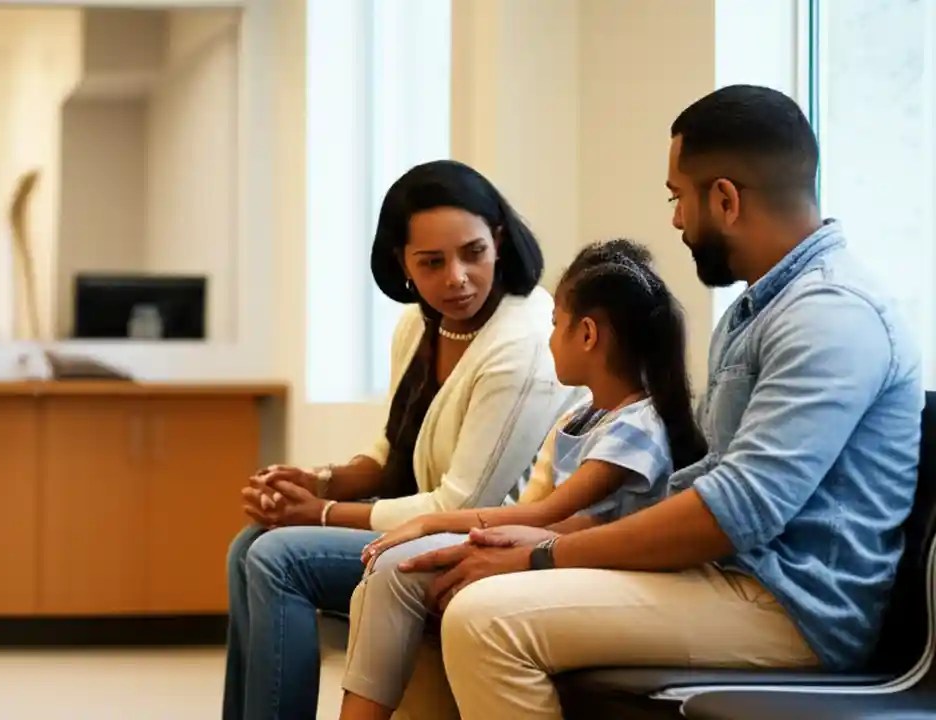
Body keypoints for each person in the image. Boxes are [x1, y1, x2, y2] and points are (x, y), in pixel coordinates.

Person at [372, 85, 923, 720]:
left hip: (790, 608)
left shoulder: (830, 316)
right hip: (729, 577)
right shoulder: (764, 308)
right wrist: (544, 534)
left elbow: (735, 511)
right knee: (433, 586)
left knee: (484, 617)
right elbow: (708, 489)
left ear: (724, 198)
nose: (675, 219)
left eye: (677, 197)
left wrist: (543, 552)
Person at [223, 160, 576, 720]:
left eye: (473, 253)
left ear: (500, 241)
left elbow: (461, 504)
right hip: (422, 525)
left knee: (277, 557)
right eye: (432, 263)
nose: (456, 277)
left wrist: (319, 514)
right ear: (402, 263)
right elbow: (392, 451)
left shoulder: (521, 344)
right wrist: (317, 481)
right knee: (248, 543)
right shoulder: (420, 323)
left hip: (481, 537)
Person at [337, 239, 707, 720]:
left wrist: (430, 524)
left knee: (399, 568)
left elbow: (548, 514)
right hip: (565, 548)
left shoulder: (637, 425)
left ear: (588, 334)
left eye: (555, 324)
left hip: (603, 566)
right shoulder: (587, 414)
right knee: (388, 575)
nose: (549, 338)